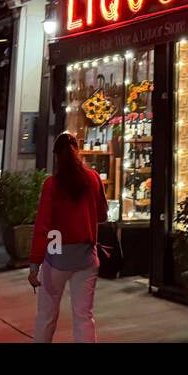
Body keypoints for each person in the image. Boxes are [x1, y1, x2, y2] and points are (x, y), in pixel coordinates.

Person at [28, 132, 108, 343]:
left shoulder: (52, 185)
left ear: (56, 156)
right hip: (86, 257)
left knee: (46, 316)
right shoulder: (93, 179)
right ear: (78, 151)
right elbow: (102, 215)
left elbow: (42, 226)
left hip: (56, 257)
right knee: (84, 317)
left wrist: (35, 265)